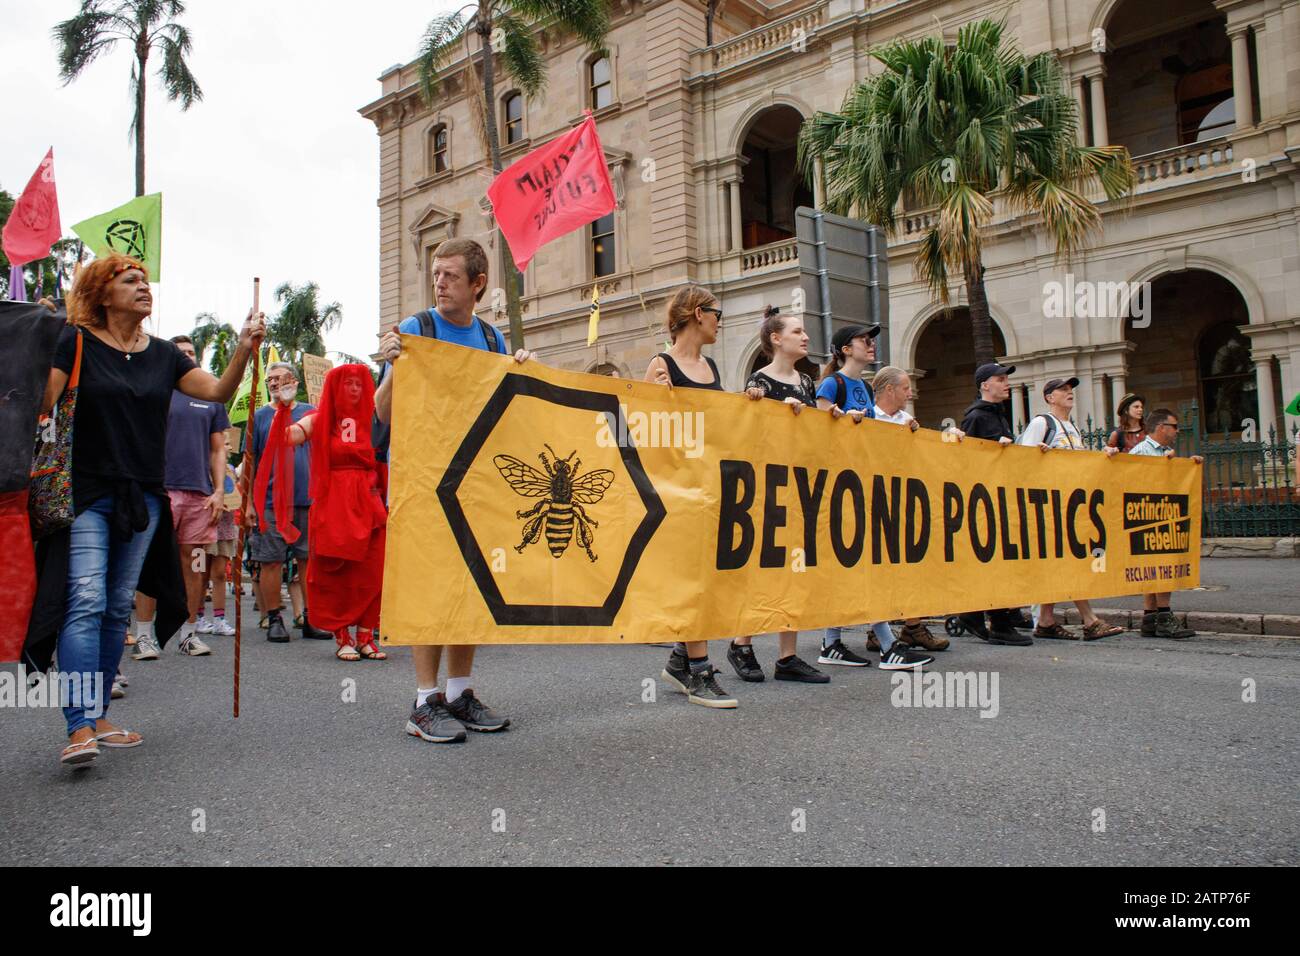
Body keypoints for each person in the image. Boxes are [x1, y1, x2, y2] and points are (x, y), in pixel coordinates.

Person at [37, 254, 265, 767]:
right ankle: (77, 726)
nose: (143, 288)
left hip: (144, 495)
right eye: (130, 280)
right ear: (102, 293)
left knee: (117, 606)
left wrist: (243, 350)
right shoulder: (73, 342)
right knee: (87, 599)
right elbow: (42, 401)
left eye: (145, 280)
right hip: (86, 492)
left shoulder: (164, 355)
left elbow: (218, 393)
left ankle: (98, 716)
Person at [376, 237, 532, 742]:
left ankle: (460, 692)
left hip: (474, 479)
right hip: (423, 479)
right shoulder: (415, 330)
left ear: (478, 284)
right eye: (436, 274)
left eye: (450, 276)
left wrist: (521, 374)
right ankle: (424, 702)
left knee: (469, 584)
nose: (439, 283)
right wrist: (395, 369)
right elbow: (382, 413)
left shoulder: (491, 341)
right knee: (430, 584)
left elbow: (502, 411)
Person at [726, 307, 833, 685]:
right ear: (776, 339)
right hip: (769, 489)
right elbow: (749, 435)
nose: (805, 337)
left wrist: (832, 417)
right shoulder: (759, 381)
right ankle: (742, 642)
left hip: (800, 484)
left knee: (796, 569)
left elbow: (814, 432)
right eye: (797, 331)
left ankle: (788, 656)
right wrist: (764, 407)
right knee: (763, 568)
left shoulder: (806, 382)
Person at [646, 285, 737, 708]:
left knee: (709, 578)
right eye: (717, 312)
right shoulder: (660, 365)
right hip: (677, 491)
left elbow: (719, 426)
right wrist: (656, 401)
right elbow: (642, 434)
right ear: (699, 313)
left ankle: (681, 659)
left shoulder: (712, 366)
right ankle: (700, 672)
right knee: (694, 580)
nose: (721, 320)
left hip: (711, 485)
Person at [131, 334, 230, 660]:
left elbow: (218, 449)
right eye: (180, 353)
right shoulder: (156, 389)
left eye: (190, 353)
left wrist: (218, 491)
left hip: (200, 495)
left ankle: (188, 633)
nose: (186, 357)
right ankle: (145, 635)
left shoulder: (211, 400)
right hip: (159, 491)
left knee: (196, 566)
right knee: (149, 564)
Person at [285, 364, 388, 661]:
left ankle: (366, 636)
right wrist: (284, 408)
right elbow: (289, 437)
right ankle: (342, 635)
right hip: (334, 504)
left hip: (369, 502)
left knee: (372, 570)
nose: (355, 389)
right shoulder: (320, 419)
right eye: (348, 384)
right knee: (336, 571)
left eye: (359, 383)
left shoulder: (377, 421)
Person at [1019, 378, 1126, 641]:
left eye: (1071, 389)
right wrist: (1038, 456)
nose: (1069, 393)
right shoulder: (1041, 424)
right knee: (1071, 561)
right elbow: (1020, 461)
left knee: (1060, 563)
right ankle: (1090, 620)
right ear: (1048, 397)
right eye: (1063, 390)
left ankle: (1045, 620)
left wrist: (1103, 457)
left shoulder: (1073, 428)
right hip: (1049, 507)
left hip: (1071, 506)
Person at [854, 367, 945, 668]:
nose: (910, 393)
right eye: (905, 388)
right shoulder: (865, 417)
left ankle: (903, 627)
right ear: (889, 390)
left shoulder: (908, 423)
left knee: (904, 569)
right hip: (872, 503)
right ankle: (879, 633)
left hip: (903, 504)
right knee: (877, 570)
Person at [952, 363, 1033, 646]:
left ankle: (975, 614)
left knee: (997, 560)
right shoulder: (976, 417)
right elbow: (966, 459)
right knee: (995, 560)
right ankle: (997, 621)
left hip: (999, 496)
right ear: (985, 385)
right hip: (984, 499)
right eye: (1000, 379)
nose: (1006, 384)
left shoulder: (997, 414)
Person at [248, 362, 328, 643]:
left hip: (307, 499)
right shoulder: (258, 416)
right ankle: (274, 618)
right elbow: (252, 462)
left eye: (279, 378)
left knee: (307, 560)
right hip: (269, 502)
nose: (273, 383)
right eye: (269, 379)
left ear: (292, 380)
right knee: (271, 562)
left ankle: (310, 617)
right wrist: (248, 505)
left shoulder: (310, 412)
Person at [1131, 408, 1204, 639]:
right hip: (1151, 516)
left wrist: (1188, 466)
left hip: (1158, 514)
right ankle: (1163, 616)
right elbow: (1135, 481)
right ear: (1161, 427)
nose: (1177, 431)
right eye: (1174, 426)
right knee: (1163, 566)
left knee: (1153, 569)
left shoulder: (1163, 451)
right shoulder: (1142, 450)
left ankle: (1150, 617)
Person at [197, 435, 239, 638]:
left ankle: (220, 619)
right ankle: (196, 616)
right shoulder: (199, 466)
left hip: (224, 526)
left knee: (220, 573)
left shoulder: (230, 470)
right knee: (198, 572)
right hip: (201, 524)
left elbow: (234, 494)